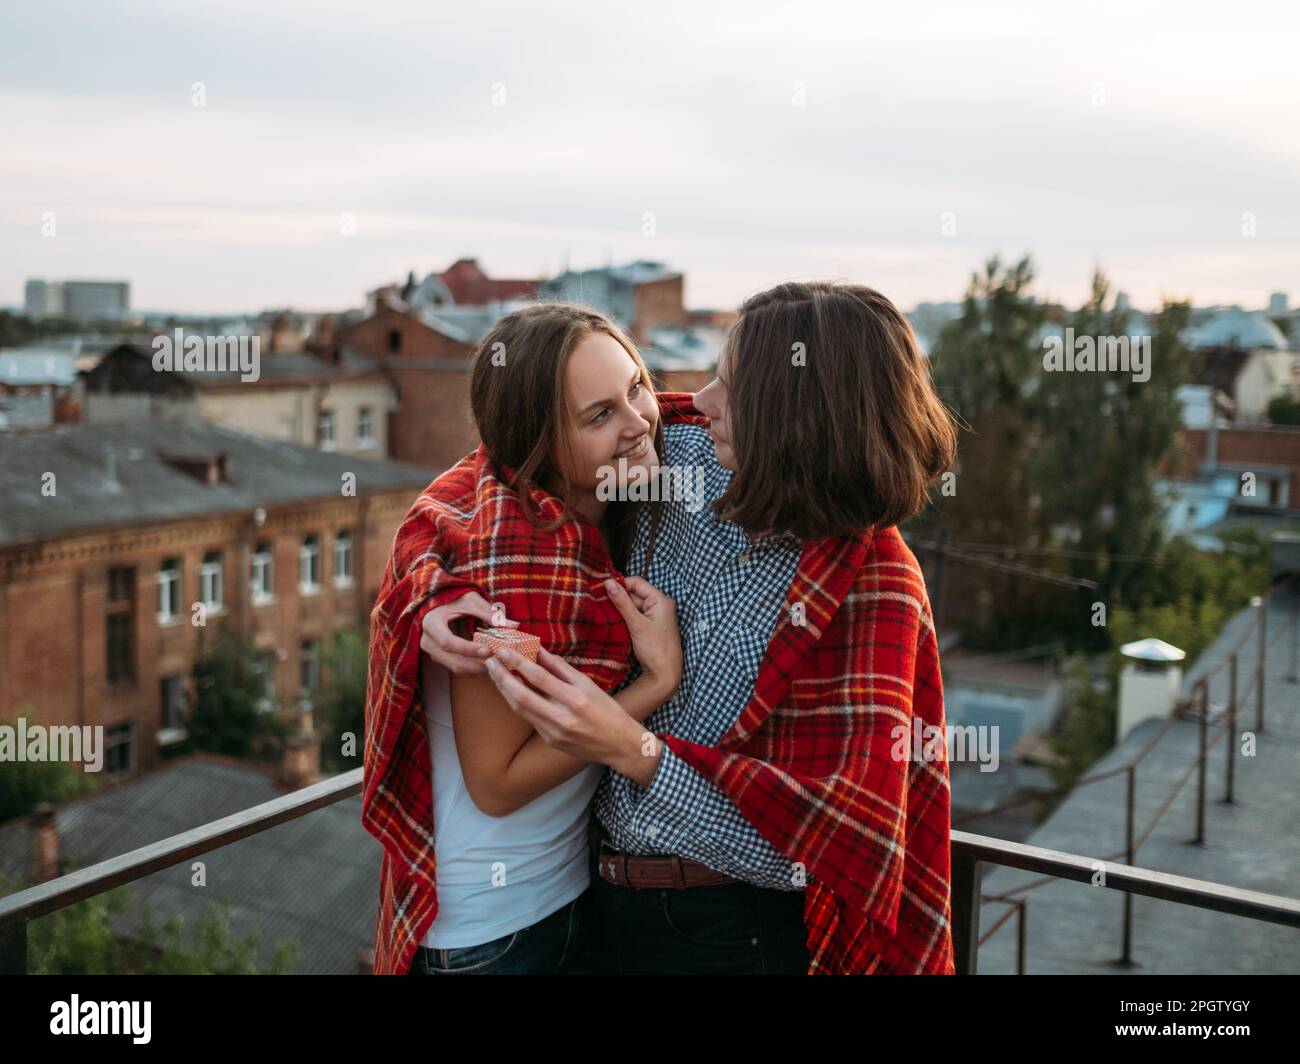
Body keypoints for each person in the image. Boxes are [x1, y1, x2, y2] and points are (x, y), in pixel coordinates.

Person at [430, 280, 961, 974]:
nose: (693, 403)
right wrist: (430, 594)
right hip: (584, 906)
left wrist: (632, 745)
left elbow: (821, 846)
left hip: (727, 932)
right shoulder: (674, 465)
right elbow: (486, 480)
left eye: (729, 386)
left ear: (795, 418)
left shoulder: (873, 588)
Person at [361, 302, 684, 975]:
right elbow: (497, 784)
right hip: (496, 932)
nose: (637, 422)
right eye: (599, 416)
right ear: (538, 444)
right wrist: (656, 685)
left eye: (635, 387)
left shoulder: (573, 520)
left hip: (556, 896)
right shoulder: (496, 571)